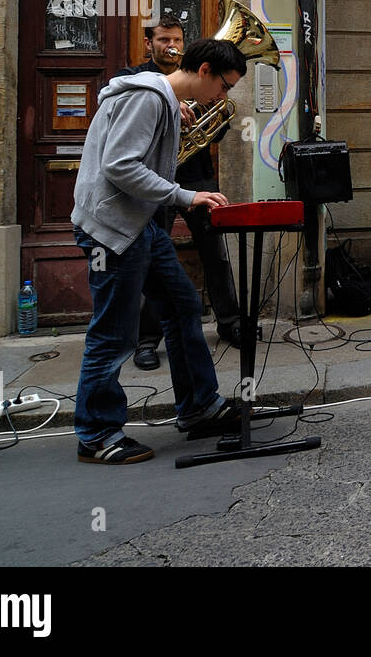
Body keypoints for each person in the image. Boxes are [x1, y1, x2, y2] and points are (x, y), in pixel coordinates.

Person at [70, 38, 247, 464]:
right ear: (205, 70)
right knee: (114, 334)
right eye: (224, 86)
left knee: (184, 306)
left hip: (141, 225)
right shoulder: (149, 97)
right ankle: (96, 435)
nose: (223, 97)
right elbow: (120, 165)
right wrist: (185, 196)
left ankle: (200, 406)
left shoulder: (161, 99)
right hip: (114, 230)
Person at [114, 15, 241, 367]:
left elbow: (213, 133)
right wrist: (173, 99)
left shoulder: (203, 83)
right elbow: (121, 96)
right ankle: (146, 340)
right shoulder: (134, 78)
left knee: (215, 252)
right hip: (154, 179)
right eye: (163, 39)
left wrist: (213, 112)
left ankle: (230, 323)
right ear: (149, 44)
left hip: (196, 176)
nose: (171, 45)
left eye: (177, 40)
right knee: (152, 256)